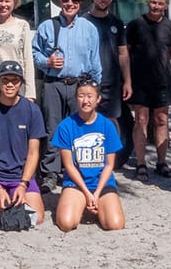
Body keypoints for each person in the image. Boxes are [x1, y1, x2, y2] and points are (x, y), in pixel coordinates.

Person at [32, 0, 101, 193]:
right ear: (60, 2)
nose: (69, 3)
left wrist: (96, 91)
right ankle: (51, 172)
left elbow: (95, 61)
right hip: (54, 83)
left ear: (80, 3)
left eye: (74, 0)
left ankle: (76, 172)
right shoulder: (47, 26)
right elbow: (35, 54)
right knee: (53, 128)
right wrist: (48, 62)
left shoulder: (89, 29)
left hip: (80, 85)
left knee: (79, 130)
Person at [0, 61, 46, 225]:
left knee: (37, 217)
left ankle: (12, 199)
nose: (10, 84)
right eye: (5, 80)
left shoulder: (32, 110)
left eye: (15, 80)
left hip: (21, 175)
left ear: (21, 83)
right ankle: (5, 201)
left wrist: (23, 184)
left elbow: (33, 153)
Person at [52, 78, 125, 232]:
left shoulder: (107, 125)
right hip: (76, 183)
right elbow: (69, 166)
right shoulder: (66, 126)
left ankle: (97, 205)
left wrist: (97, 193)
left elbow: (109, 165)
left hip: (102, 183)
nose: (85, 101)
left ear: (98, 99)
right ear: (76, 98)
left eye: (90, 96)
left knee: (114, 224)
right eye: (81, 96)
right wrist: (86, 192)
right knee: (66, 223)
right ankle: (81, 203)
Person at [126, 0, 171, 182]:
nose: (156, 6)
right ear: (148, 3)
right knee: (141, 120)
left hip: (162, 81)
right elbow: (127, 52)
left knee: (162, 120)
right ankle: (141, 164)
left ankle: (161, 163)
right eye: (153, 2)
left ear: (165, 6)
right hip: (140, 80)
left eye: (160, 3)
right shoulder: (135, 25)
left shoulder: (170, 27)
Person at [82, 0, 133, 167]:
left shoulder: (117, 23)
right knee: (87, 119)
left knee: (111, 121)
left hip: (112, 80)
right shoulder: (83, 21)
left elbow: (123, 53)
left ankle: (109, 161)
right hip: (88, 80)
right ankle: (88, 160)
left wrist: (127, 81)